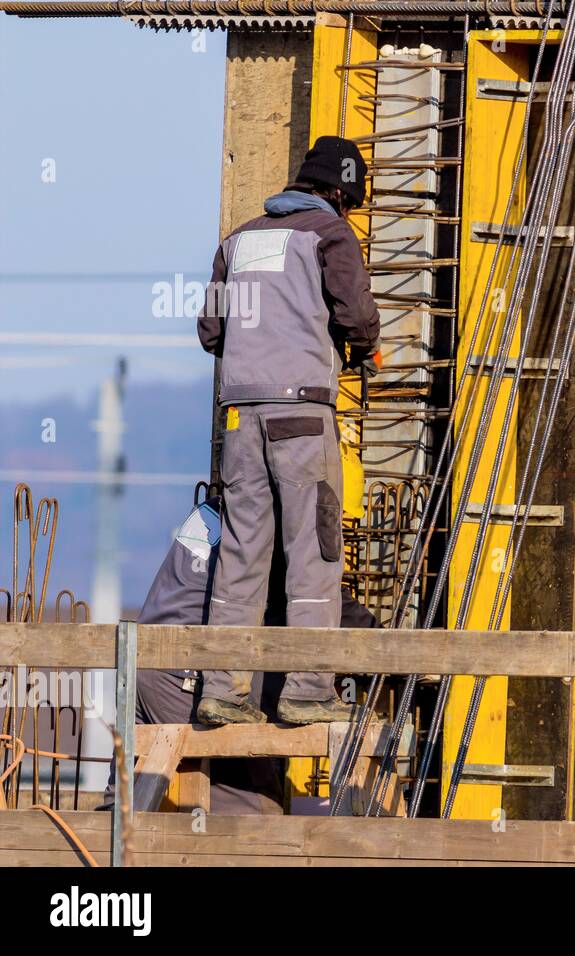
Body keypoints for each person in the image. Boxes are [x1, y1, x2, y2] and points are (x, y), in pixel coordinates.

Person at [196, 135, 381, 726]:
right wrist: (365, 347)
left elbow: (209, 331)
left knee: (241, 552)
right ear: (339, 193)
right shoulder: (330, 234)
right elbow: (356, 315)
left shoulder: (237, 240)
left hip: (238, 418)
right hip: (301, 415)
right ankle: (307, 689)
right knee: (313, 552)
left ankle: (221, 690)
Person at [100, 497, 378, 815]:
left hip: (146, 670)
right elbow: (318, 602)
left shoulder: (219, 510)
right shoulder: (262, 528)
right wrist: (389, 651)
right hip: (187, 680)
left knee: (119, 811)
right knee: (256, 814)